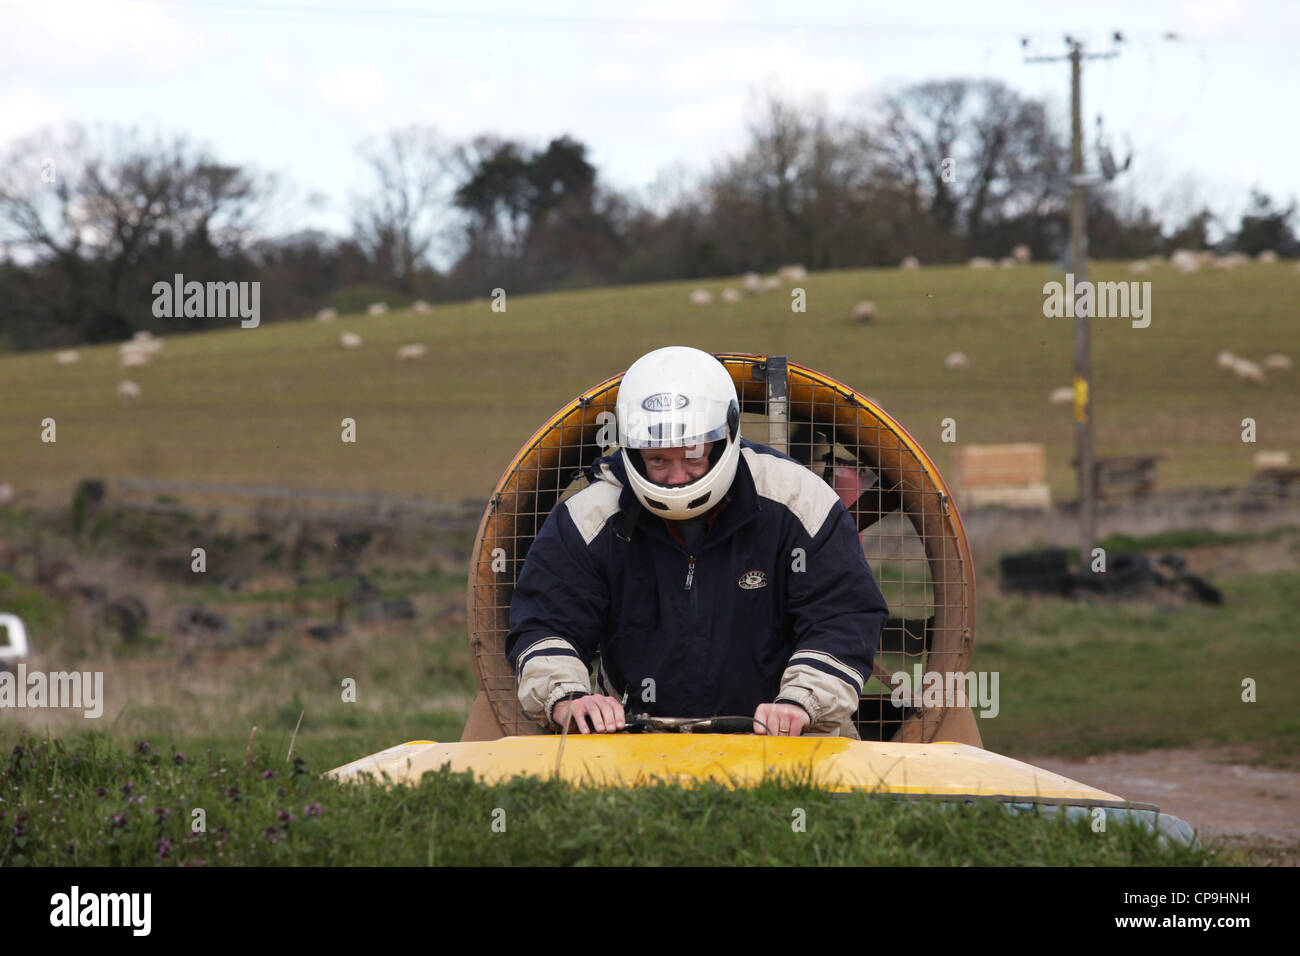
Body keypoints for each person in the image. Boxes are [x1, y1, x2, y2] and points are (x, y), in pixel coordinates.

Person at [505, 346, 887, 736]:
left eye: (691, 458)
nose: (675, 478)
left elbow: (843, 614)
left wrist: (801, 702)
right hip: (635, 739)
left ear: (724, 438)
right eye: (658, 461)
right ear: (632, 451)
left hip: (783, 737)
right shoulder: (587, 520)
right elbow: (545, 623)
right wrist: (568, 697)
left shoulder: (800, 501)